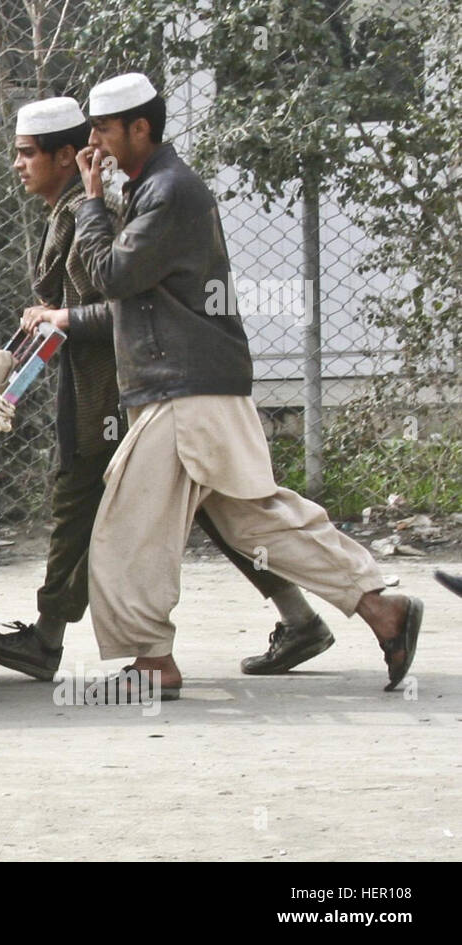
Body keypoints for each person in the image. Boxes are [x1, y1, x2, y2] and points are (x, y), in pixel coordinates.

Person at [70, 72, 423, 696]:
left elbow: (112, 275)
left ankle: (152, 665)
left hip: (183, 392)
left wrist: (91, 204)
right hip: (195, 386)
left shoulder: (170, 193)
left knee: (127, 525)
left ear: (139, 128)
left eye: (101, 129)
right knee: (257, 524)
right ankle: (379, 605)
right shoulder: (156, 188)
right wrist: (101, 202)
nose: (92, 140)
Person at [0, 97, 331, 681]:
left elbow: (122, 310)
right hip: (114, 390)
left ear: (67, 155)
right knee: (212, 505)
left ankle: (65, 643)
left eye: (27, 154)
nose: (18, 165)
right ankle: (300, 617)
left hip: (121, 394)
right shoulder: (71, 213)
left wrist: (61, 318)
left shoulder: (96, 214)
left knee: (81, 502)